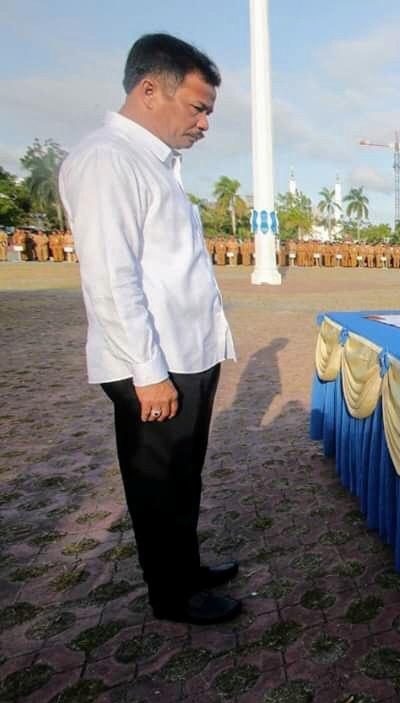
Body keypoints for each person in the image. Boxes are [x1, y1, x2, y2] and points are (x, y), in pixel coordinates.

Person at [58, 33, 241, 624]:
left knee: (183, 475)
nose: (205, 123)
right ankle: (172, 595)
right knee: (158, 483)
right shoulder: (108, 160)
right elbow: (112, 280)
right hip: (154, 366)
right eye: (198, 107)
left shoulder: (153, 162)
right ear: (148, 90)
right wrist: (149, 374)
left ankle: (184, 569)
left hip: (186, 355)